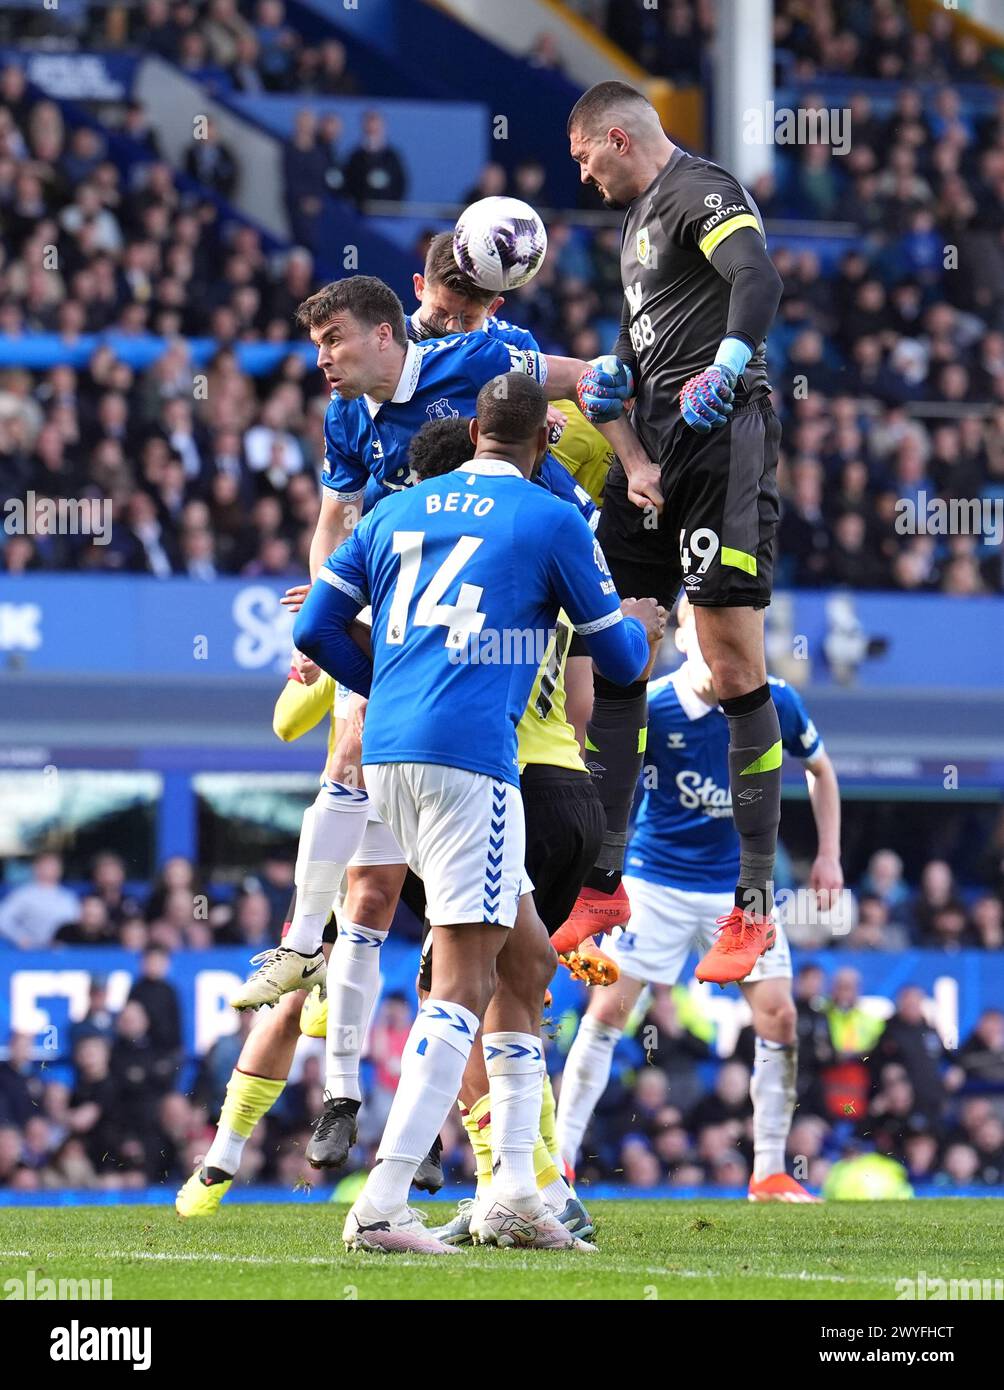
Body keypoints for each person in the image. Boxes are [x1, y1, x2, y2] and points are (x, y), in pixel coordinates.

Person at [294, 374, 664, 1253]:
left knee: (528, 960)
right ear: (543, 442)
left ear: (471, 435)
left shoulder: (392, 512)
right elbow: (617, 662)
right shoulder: (550, 518)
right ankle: (381, 1205)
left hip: (385, 760)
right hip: (473, 762)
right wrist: (646, 625)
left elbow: (313, 628)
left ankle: (513, 1195)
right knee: (463, 983)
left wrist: (394, 692)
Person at [230, 273, 645, 1010]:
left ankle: (555, 912)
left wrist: (637, 458)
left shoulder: (481, 363)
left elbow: (589, 379)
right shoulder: (346, 417)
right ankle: (309, 956)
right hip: (405, 602)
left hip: (500, 579)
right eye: (317, 344)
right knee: (360, 796)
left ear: (386, 335)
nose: (322, 359)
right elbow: (334, 517)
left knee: (414, 866)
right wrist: (331, 590)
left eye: (333, 340)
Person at [564, 81, 785, 984]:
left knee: (730, 665)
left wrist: (732, 363)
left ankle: (754, 907)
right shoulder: (635, 227)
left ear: (619, 136)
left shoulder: (702, 190)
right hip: (651, 458)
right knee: (619, 650)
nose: (584, 175)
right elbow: (633, 350)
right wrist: (620, 417)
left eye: (585, 157)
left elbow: (758, 278)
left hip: (720, 444)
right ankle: (606, 878)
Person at [555, 597, 842, 1202]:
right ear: (687, 636)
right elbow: (601, 786)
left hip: (737, 892)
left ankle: (767, 1172)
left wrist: (828, 855)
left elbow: (820, 768)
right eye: (710, 635)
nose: (724, 652)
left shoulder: (773, 701)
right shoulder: (654, 707)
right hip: (655, 882)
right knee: (607, 1014)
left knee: (781, 1015)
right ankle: (560, 1160)